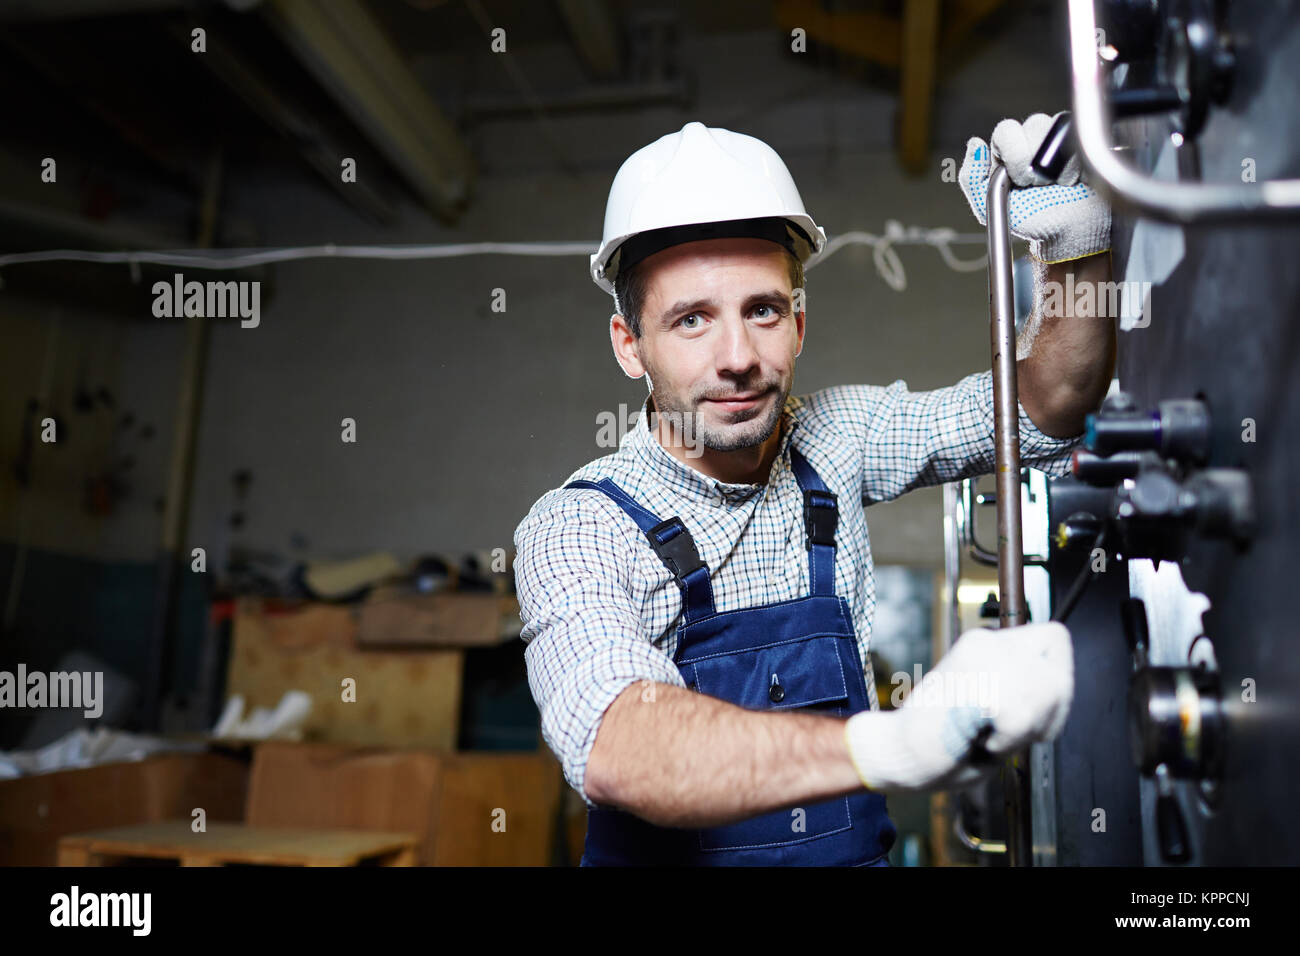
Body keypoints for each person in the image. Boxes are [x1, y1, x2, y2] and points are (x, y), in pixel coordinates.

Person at [514, 118, 1115, 866]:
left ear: (798, 323)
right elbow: (619, 744)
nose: (738, 358)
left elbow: (1045, 407)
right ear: (629, 344)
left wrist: (1077, 253)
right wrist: (898, 745)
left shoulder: (837, 440)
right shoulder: (578, 528)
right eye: (692, 319)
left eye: (761, 310)